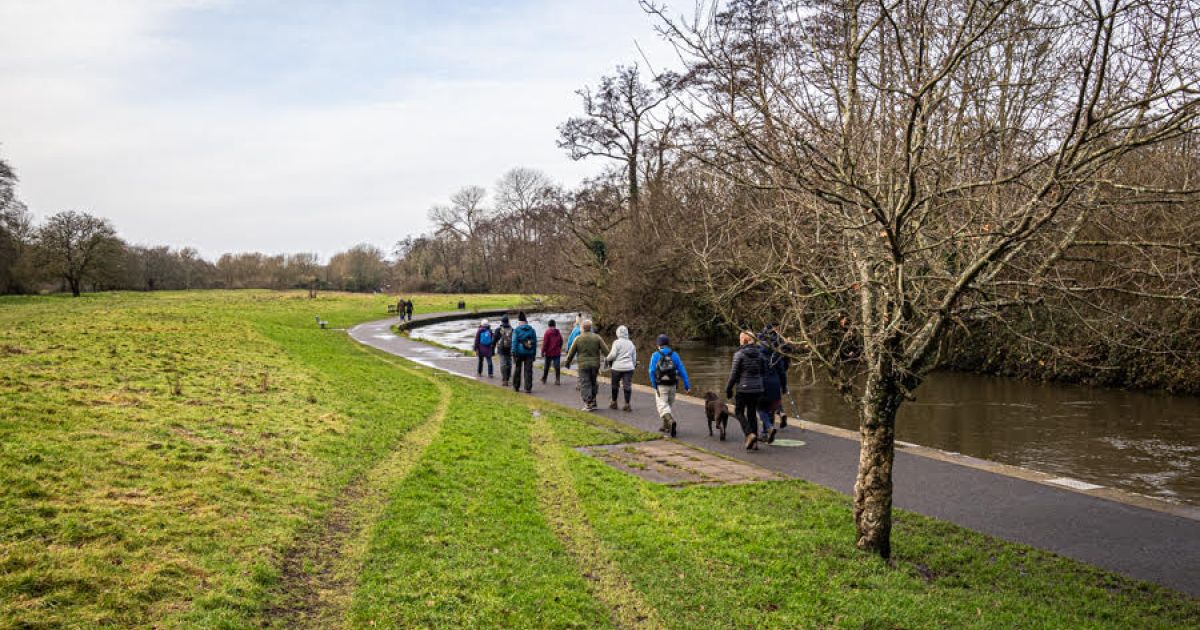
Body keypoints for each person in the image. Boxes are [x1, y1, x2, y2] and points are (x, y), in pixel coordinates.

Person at [726, 331, 766, 450]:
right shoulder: (760, 354)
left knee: (739, 412)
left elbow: (733, 374)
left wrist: (728, 388)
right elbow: (762, 371)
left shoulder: (739, 354)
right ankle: (755, 443)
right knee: (752, 413)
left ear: (744, 340)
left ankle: (749, 434)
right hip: (757, 389)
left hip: (743, 388)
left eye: (740, 339)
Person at [649, 334, 691, 436]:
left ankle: (671, 421)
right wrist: (687, 385)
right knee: (668, 405)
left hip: (661, 385)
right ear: (668, 344)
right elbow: (682, 370)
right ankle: (666, 426)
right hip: (672, 384)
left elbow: (651, 371)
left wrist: (654, 385)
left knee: (662, 407)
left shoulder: (655, 355)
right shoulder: (675, 355)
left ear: (658, 344)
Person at [564, 319, 609, 411]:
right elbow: (606, 351)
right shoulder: (597, 338)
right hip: (595, 365)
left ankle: (588, 404)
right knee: (593, 382)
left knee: (585, 383)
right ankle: (593, 401)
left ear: (582, 328)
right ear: (590, 328)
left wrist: (567, 363)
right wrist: (609, 361)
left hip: (583, 365)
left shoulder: (578, 338)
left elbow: (571, 353)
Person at [606, 325, 637, 412]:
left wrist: (607, 359)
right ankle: (627, 404)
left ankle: (614, 403)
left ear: (617, 333)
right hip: (628, 368)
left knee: (615, 385)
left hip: (617, 368)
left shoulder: (616, 342)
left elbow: (612, 355)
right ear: (627, 333)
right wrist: (633, 365)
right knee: (627, 385)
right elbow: (634, 358)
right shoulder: (631, 343)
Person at [511, 312, 538, 393]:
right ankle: (528, 388)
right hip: (529, 353)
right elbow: (535, 343)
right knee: (528, 371)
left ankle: (516, 387)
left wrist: (513, 352)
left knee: (517, 369)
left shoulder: (516, 330)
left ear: (519, 322)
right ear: (526, 322)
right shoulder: (532, 330)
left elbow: (514, 342)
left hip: (519, 353)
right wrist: (534, 354)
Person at [541, 319, 564, 385]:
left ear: (549, 325)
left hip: (548, 353)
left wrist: (542, 352)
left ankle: (544, 379)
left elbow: (545, 343)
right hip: (557, 352)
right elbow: (561, 341)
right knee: (557, 366)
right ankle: (557, 380)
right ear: (555, 325)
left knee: (546, 366)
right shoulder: (558, 332)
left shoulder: (547, 333)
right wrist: (559, 348)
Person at [496, 315, 515, 387]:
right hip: (509, 349)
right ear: (508, 321)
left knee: (503, 364)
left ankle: (505, 380)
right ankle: (508, 377)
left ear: (501, 321)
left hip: (501, 349)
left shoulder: (498, 330)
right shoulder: (512, 330)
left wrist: (492, 349)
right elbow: (514, 340)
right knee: (509, 363)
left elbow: (494, 340)